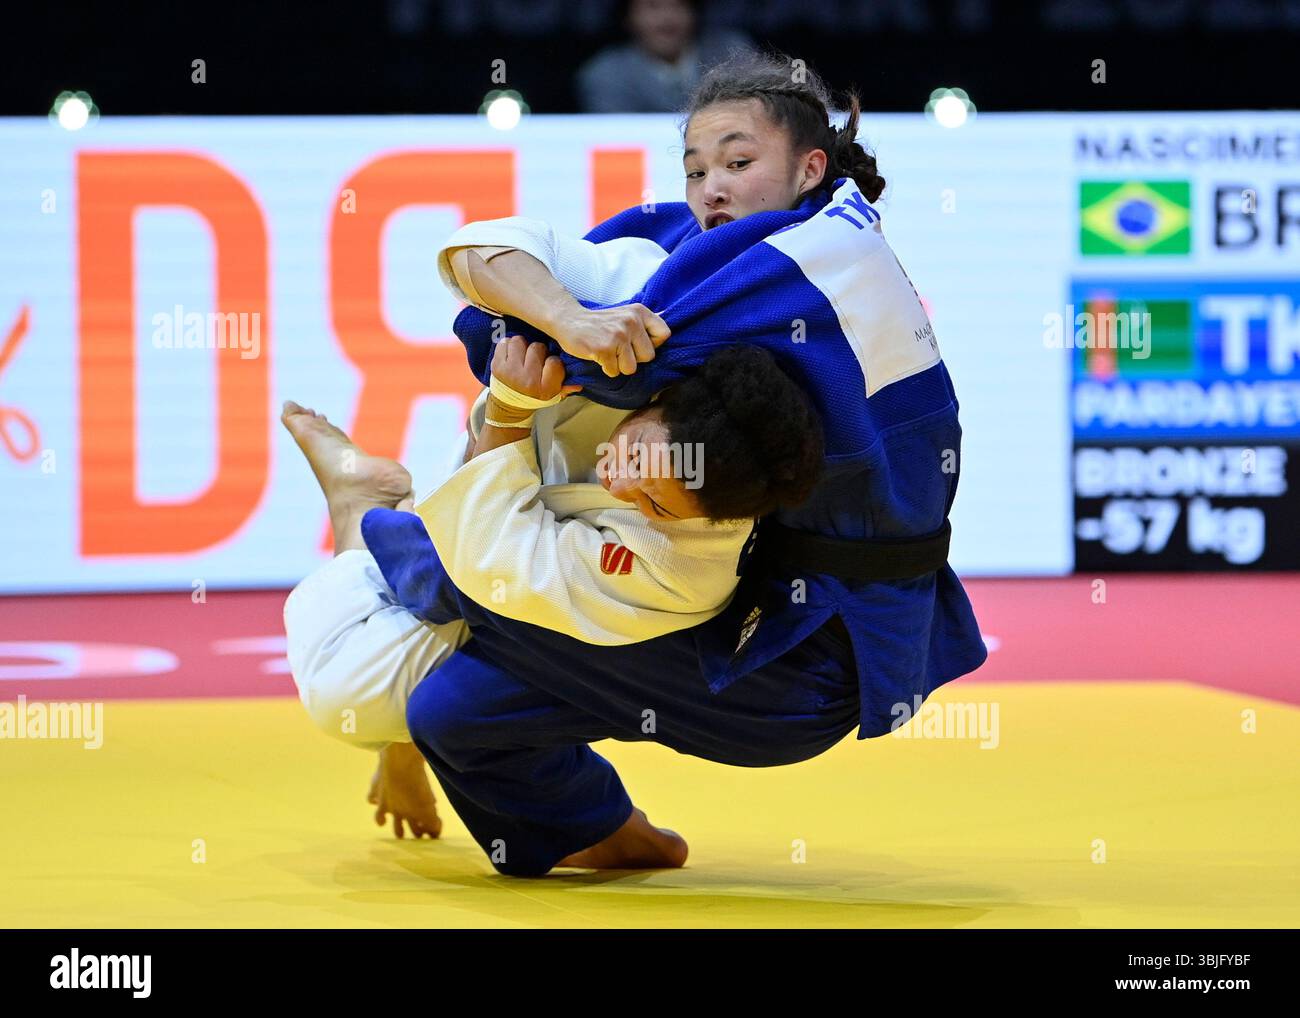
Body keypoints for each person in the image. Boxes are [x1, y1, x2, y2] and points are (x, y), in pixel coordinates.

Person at [355, 48, 988, 876]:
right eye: (696, 169)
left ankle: (378, 539)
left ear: (810, 166)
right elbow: (481, 256)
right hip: (789, 610)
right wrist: (568, 312)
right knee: (457, 712)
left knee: (475, 572)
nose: (711, 188)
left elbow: (506, 340)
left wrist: (564, 323)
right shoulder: (782, 237)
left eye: (738, 161)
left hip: (804, 666)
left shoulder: (796, 269)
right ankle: (593, 825)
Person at [283, 336, 824, 834]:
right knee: (382, 662)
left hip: (519, 567)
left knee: (340, 692)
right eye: (635, 453)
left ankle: (364, 511)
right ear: (664, 395)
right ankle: (376, 513)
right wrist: (566, 319)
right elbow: (495, 257)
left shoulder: (683, 566)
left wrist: (512, 409)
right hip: (492, 477)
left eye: (655, 504)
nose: (621, 481)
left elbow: (486, 564)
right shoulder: (627, 354)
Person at [576, 0, 752, 114]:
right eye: (653, 6)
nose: (667, 19)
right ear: (628, 17)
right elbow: (615, 138)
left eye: (678, 5)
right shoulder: (605, 72)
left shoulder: (732, 51)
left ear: (694, 13)